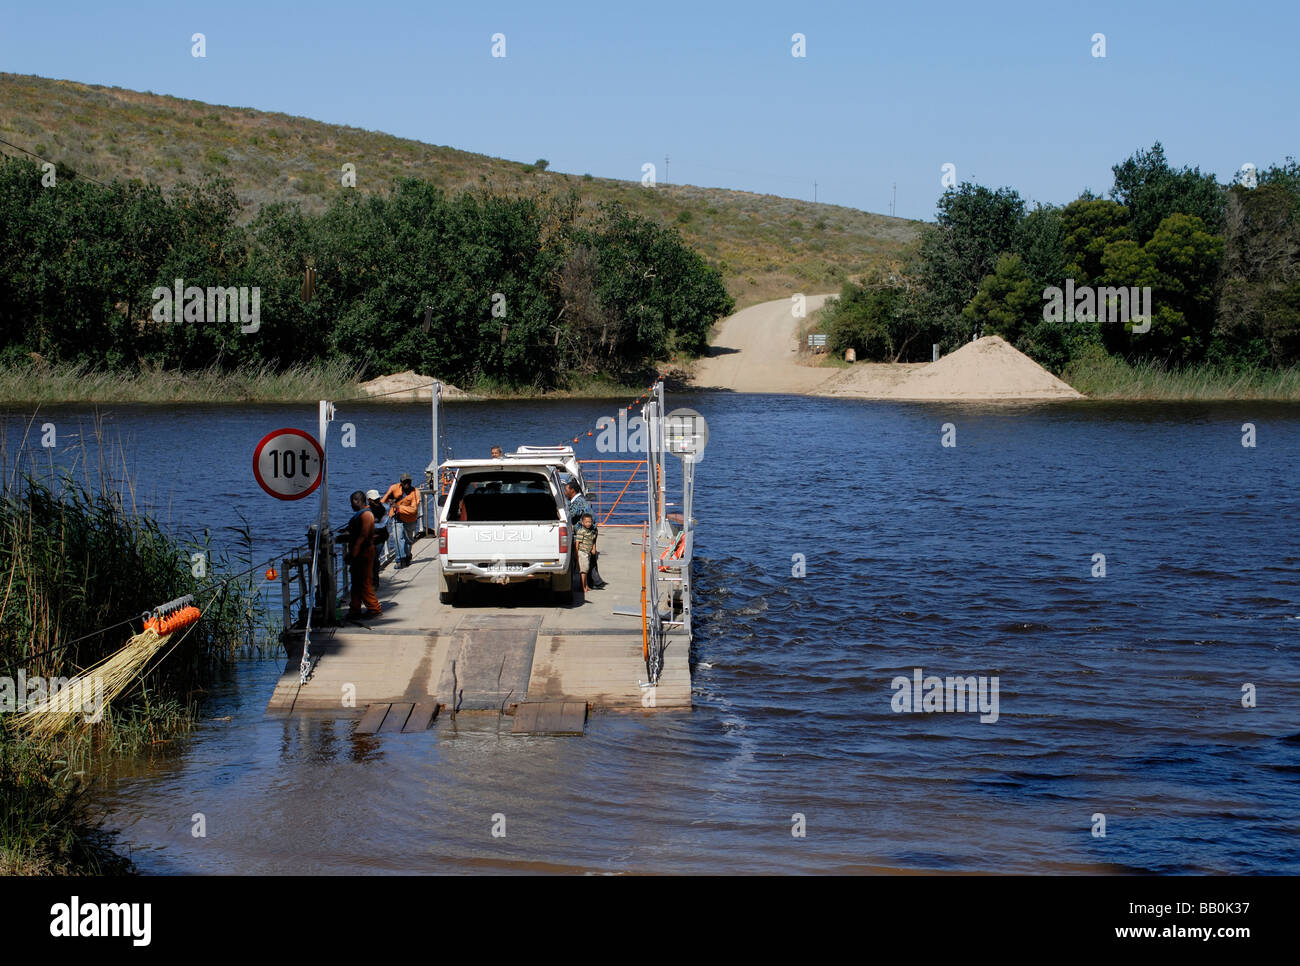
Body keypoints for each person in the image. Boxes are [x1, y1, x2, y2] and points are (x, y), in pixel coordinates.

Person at [342, 490, 381, 619]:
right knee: (356, 582)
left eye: (351, 502)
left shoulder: (366, 515)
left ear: (356, 501)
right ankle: (355, 609)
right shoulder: (361, 515)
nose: (351, 506)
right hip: (359, 552)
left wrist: (353, 553)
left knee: (364, 581)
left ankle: (374, 608)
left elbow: (363, 536)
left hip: (363, 553)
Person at [382, 473, 420, 567]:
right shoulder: (394, 488)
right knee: (397, 538)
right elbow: (384, 500)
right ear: (401, 482)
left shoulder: (415, 492)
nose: (406, 484)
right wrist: (389, 501)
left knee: (408, 540)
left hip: (410, 518)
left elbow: (413, 509)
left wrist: (399, 507)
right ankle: (400, 559)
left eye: (408, 482)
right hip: (397, 517)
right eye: (404, 482)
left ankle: (407, 557)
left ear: (411, 482)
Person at [366, 489, 389, 587]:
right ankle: (374, 580)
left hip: (377, 537)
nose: (376, 502)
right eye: (375, 500)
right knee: (374, 559)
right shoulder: (384, 507)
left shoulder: (369, 511)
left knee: (373, 559)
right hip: (378, 536)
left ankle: (373, 581)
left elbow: (380, 523)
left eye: (377, 500)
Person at [574, 511, 599, 593]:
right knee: (583, 571)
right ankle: (583, 587)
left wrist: (593, 548)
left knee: (586, 570)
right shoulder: (581, 531)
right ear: (582, 522)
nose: (588, 523)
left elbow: (593, 540)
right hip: (582, 552)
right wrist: (576, 554)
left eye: (590, 522)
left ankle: (586, 585)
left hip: (587, 553)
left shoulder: (590, 531)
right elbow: (577, 544)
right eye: (586, 522)